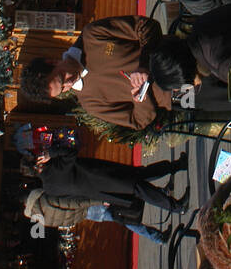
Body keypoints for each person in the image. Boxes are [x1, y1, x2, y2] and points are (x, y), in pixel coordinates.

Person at [18, 15, 174, 130]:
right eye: (63, 89)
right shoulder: (91, 104)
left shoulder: (93, 35)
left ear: (52, 62)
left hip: (180, 57)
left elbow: (147, 26)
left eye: (61, 78)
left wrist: (144, 64)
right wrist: (140, 99)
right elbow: (139, 121)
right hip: (178, 95)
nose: (69, 83)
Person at [33, 144, 190, 213]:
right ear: (38, 165)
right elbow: (71, 153)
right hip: (101, 176)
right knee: (137, 186)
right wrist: (51, 154)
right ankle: (176, 207)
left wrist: (98, 201)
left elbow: (74, 200)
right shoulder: (55, 168)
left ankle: (177, 165)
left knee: (140, 175)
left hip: (99, 190)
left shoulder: (49, 189)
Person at [22, 187, 170, 245]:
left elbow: (64, 221)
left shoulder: (40, 218)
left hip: (87, 215)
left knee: (124, 219)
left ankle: (157, 237)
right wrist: (97, 200)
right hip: (89, 205)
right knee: (127, 197)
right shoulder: (45, 200)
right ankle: (161, 195)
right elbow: (72, 203)